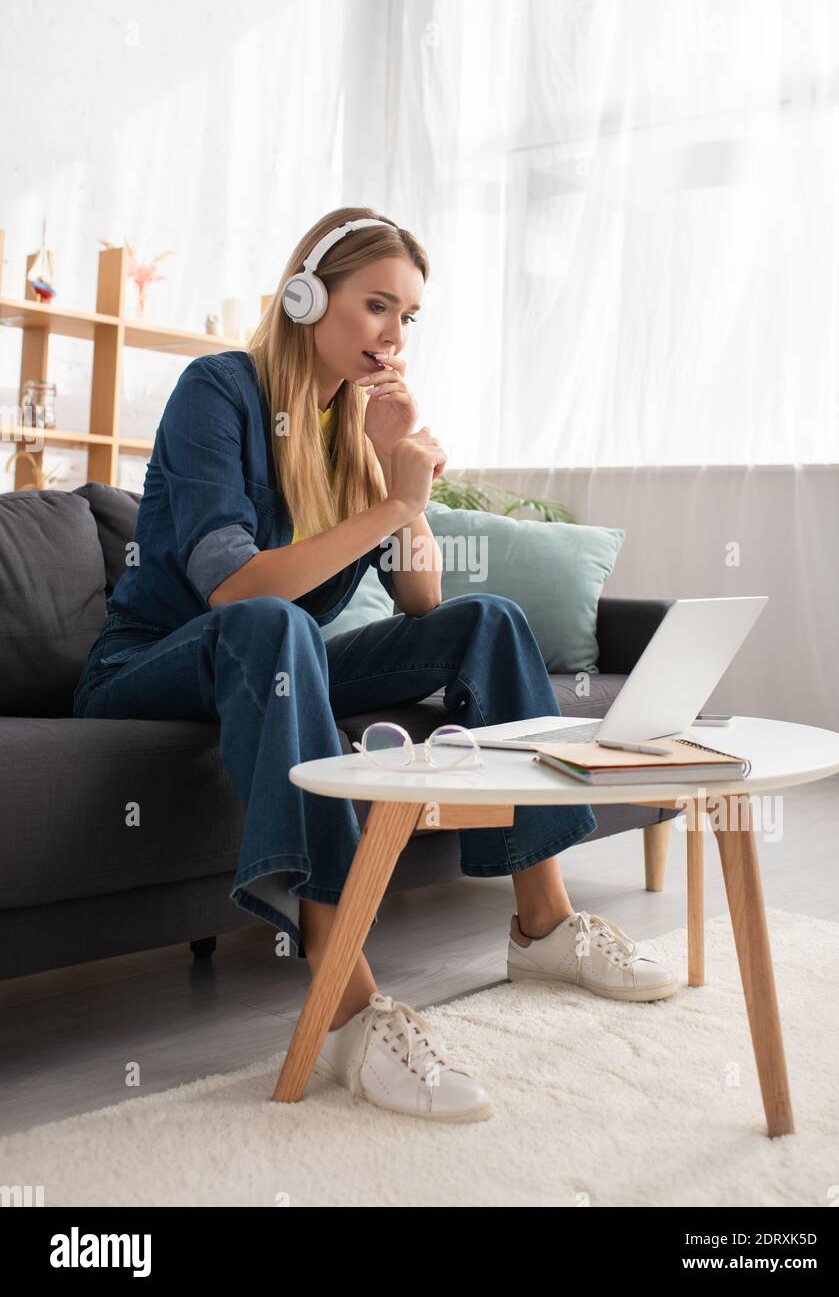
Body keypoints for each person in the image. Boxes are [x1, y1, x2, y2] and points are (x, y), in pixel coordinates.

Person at [72, 206, 677, 1126]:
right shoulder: (219, 392)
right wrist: (387, 504)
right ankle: (348, 1007)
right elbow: (236, 593)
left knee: (486, 620)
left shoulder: (351, 421)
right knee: (274, 625)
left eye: (409, 317)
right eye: (375, 306)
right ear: (307, 295)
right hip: (150, 666)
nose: (394, 335)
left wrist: (402, 481)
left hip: (278, 660)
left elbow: (424, 604)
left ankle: (543, 925)